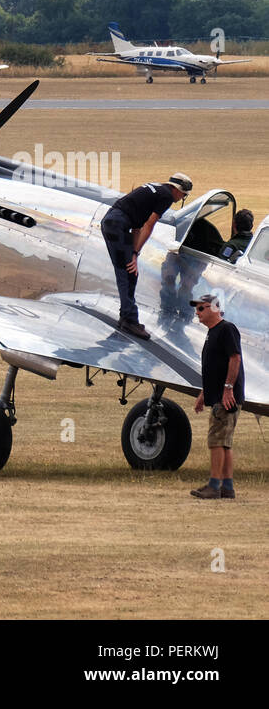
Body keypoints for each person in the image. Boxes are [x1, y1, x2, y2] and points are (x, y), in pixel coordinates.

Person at [100, 173, 192, 340]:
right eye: (184, 195)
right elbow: (149, 225)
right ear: (178, 190)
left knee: (131, 272)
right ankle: (129, 320)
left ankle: (125, 316)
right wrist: (133, 254)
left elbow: (137, 227)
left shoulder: (157, 189)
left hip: (115, 222)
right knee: (126, 273)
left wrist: (135, 254)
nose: (182, 198)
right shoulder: (166, 196)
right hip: (117, 225)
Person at [190, 294, 243, 500]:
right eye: (197, 309)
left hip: (227, 397)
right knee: (224, 442)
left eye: (201, 309)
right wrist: (204, 393)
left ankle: (214, 486)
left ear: (214, 308)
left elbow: (235, 358)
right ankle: (227, 487)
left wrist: (228, 388)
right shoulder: (212, 333)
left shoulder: (226, 329)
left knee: (216, 441)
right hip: (218, 395)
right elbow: (213, 367)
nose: (197, 313)